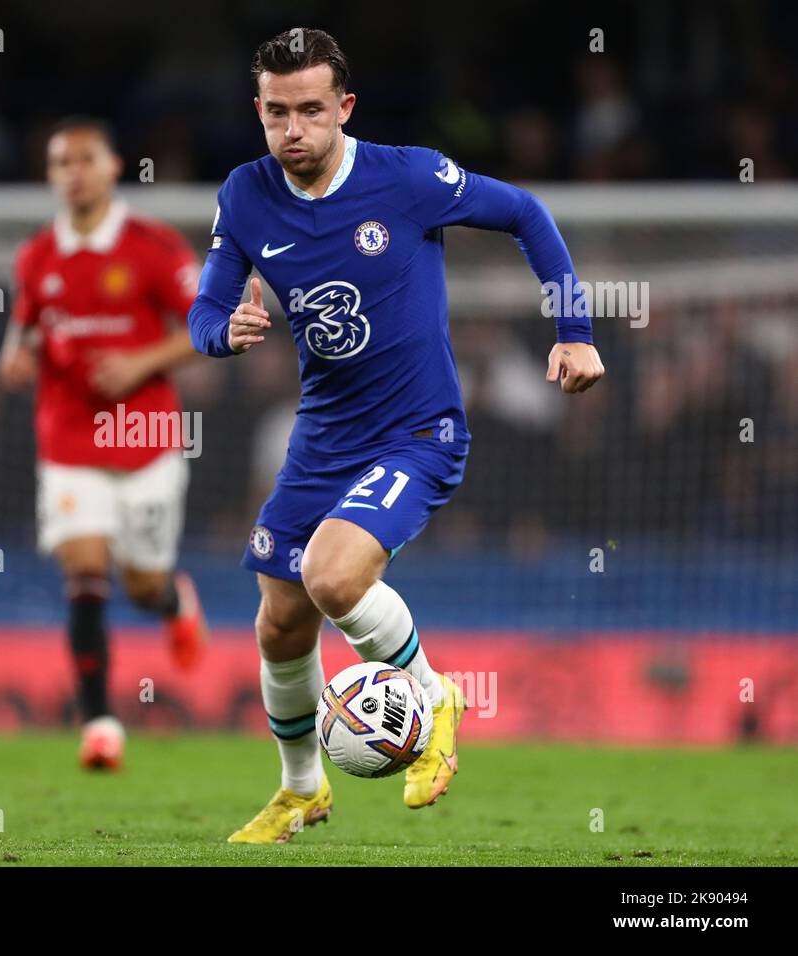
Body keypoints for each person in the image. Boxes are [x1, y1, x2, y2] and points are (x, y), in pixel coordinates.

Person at [187, 29, 604, 843]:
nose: (294, 130)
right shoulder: (244, 194)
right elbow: (208, 306)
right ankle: (302, 791)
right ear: (260, 113)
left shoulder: (409, 177)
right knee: (279, 620)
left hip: (417, 431)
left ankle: (436, 696)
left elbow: (526, 212)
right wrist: (221, 331)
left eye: (311, 110)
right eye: (277, 113)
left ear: (345, 108)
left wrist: (575, 327)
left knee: (331, 576)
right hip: (322, 439)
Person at [0, 117, 209, 770]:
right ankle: (100, 724)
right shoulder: (37, 256)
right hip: (68, 443)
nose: (75, 171)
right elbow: (23, 331)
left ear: (115, 166)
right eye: (62, 162)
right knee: (85, 567)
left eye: (86, 159)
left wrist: (140, 362)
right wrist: (12, 358)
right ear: (51, 174)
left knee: (142, 585)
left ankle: (175, 604)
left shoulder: (153, 246)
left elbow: (207, 326)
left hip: (146, 440)